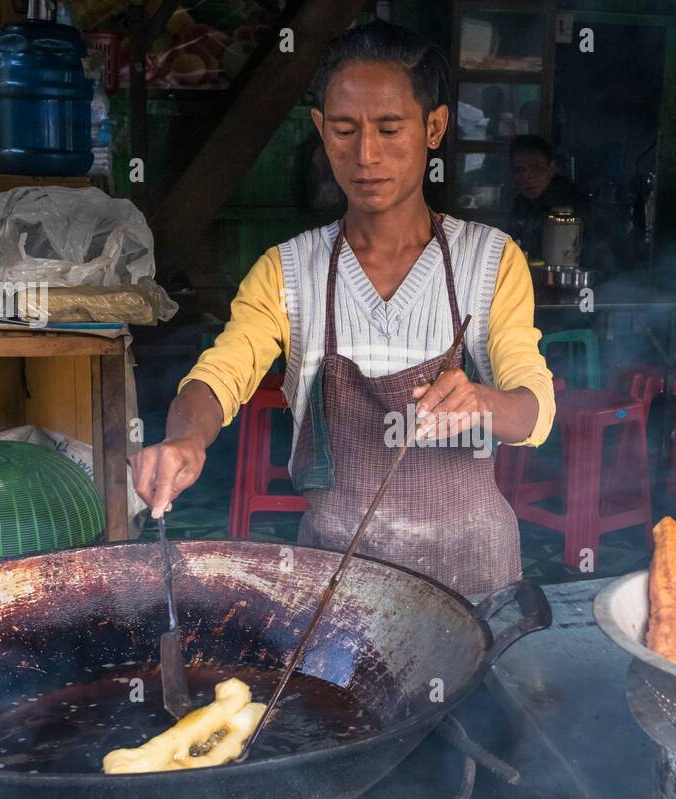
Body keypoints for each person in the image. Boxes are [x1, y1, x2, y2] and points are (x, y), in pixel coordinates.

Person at [131, 20, 555, 596]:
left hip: (475, 580)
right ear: (319, 130)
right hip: (337, 587)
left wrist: (484, 403)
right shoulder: (287, 271)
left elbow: (534, 411)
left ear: (434, 127)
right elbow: (218, 376)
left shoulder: (490, 261)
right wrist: (186, 439)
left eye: (389, 128)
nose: (366, 155)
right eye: (344, 130)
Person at [506, 135, 589, 259]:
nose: (528, 177)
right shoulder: (520, 204)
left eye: (537, 168)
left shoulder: (574, 203)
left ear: (551, 169)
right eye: (519, 170)